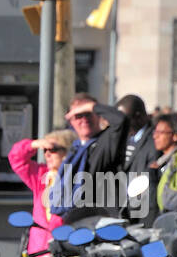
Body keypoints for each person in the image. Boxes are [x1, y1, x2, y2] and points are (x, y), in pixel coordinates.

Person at [8, 128, 76, 257]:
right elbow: (16, 158)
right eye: (44, 150)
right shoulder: (41, 175)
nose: (47, 154)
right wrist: (34, 144)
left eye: (52, 149)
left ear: (68, 152)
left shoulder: (78, 179)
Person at [52, 93, 130, 223]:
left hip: (103, 219)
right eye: (78, 116)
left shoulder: (106, 141)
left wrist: (91, 106)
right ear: (71, 121)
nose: (84, 119)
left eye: (88, 114)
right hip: (75, 219)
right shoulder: (74, 149)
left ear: (97, 115)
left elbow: (121, 120)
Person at [119, 94, 158, 175]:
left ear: (138, 116)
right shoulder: (122, 138)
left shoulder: (155, 140)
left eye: (124, 119)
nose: (120, 123)